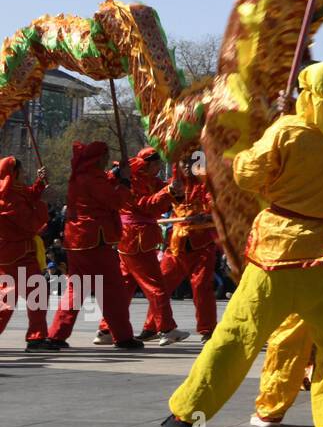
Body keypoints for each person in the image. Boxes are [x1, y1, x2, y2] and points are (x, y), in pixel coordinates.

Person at [152, 62, 323, 427]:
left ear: (307, 93)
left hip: (276, 255)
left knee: (237, 336)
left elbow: (247, 174)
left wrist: (258, 139)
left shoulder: (289, 131)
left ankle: (185, 417)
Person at [47, 142, 139, 349]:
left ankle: (57, 334)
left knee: (76, 289)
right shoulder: (92, 177)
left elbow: (103, 186)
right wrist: (124, 182)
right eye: (106, 156)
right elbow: (114, 200)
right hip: (94, 241)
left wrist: (116, 174)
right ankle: (123, 336)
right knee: (112, 290)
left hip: (78, 240)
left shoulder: (82, 176)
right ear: (98, 158)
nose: (107, 159)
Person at [98, 147, 189, 345]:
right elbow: (145, 204)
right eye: (157, 165)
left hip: (131, 239)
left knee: (123, 288)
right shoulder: (132, 180)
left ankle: (106, 329)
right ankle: (166, 328)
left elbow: (163, 189)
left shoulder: (146, 178)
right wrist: (169, 191)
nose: (158, 168)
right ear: (150, 164)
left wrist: (176, 188)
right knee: (155, 285)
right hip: (137, 238)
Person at [158, 154, 218, 341]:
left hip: (201, 245)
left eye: (191, 162)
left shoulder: (206, 183)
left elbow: (215, 205)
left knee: (201, 287)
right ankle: (154, 326)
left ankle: (207, 329)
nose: (187, 166)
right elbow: (156, 203)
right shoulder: (173, 184)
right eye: (183, 162)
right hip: (176, 245)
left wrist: (206, 215)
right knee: (160, 285)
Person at [0, 156, 55, 350]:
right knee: (7, 301)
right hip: (13, 257)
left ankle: (36, 337)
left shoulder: (15, 191)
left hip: (21, 255)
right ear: (13, 174)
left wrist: (39, 184)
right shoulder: (7, 200)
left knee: (36, 293)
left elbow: (29, 194)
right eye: (21, 172)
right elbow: (31, 225)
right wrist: (43, 204)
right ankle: (36, 337)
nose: (24, 175)